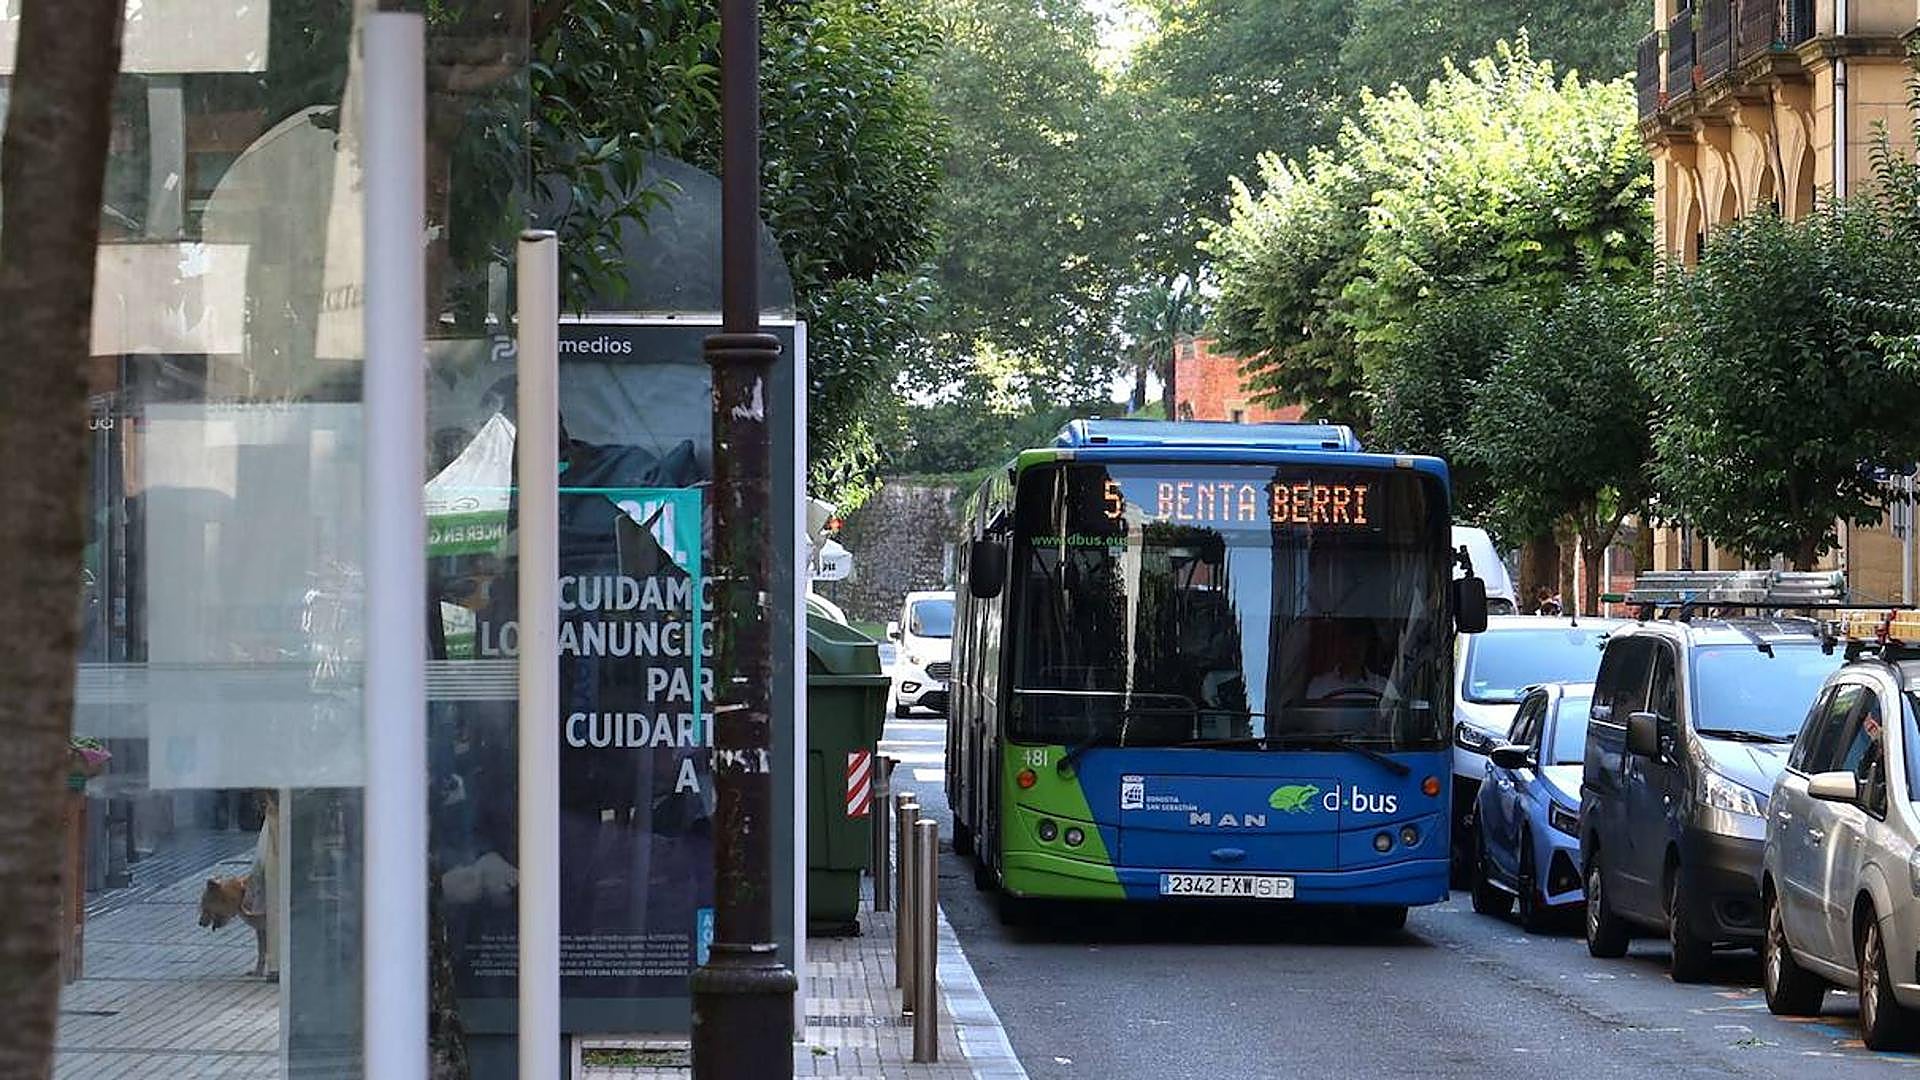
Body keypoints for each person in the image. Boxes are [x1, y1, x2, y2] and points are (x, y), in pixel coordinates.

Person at [1304, 621, 1389, 701]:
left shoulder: (1383, 687)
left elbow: (1395, 714)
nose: (1354, 648)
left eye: (1359, 643)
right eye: (1350, 642)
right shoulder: (1319, 686)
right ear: (1341, 645)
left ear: (1367, 646)